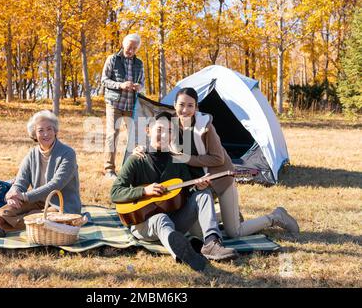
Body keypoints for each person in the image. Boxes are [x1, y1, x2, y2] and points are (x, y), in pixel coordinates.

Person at [133, 88, 299, 239]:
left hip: (221, 178)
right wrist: (141, 148)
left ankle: (276, 216)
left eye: (190, 106)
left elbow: (218, 158)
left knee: (235, 232)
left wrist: (186, 158)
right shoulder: (170, 124)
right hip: (197, 184)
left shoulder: (205, 126)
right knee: (197, 234)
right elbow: (159, 141)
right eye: (181, 105)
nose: (185, 110)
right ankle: (223, 215)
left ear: (196, 107)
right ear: (174, 105)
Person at [111, 112, 238, 272]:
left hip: (175, 220)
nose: (165, 135)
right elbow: (115, 192)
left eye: (170, 131)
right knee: (161, 218)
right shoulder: (137, 160)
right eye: (160, 130)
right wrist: (144, 191)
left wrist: (197, 187)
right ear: (148, 130)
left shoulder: (176, 160)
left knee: (203, 194)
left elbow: (187, 192)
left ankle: (212, 243)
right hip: (144, 223)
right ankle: (182, 253)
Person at [0, 110, 82, 237]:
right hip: (37, 198)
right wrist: (13, 193)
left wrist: (24, 196)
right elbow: (21, 181)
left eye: (49, 129)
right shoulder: (32, 154)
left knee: (37, 216)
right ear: (34, 134)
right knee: (13, 206)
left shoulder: (68, 154)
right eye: (41, 130)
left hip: (62, 205)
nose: (46, 134)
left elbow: (55, 184)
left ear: (55, 131)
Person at [101, 33, 145, 180]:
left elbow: (143, 84)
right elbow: (104, 80)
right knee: (112, 135)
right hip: (115, 103)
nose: (131, 50)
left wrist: (139, 87)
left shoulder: (139, 63)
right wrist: (120, 85)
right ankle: (109, 170)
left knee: (135, 137)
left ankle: (131, 169)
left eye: (134, 48)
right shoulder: (113, 59)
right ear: (123, 44)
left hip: (131, 105)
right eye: (129, 47)